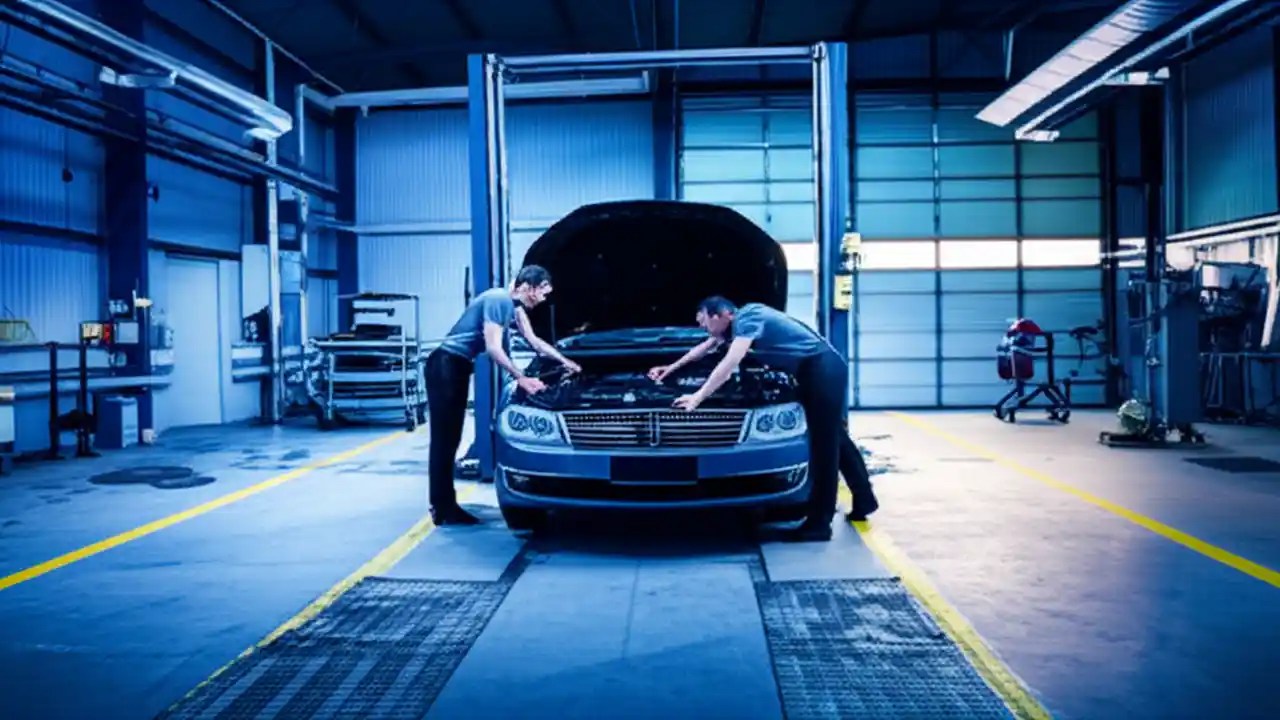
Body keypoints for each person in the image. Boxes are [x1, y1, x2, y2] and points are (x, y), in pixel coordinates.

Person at [649, 296, 878, 541]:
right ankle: (865, 499)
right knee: (836, 439)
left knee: (825, 447)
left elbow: (730, 362)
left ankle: (819, 524)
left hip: (822, 368)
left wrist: (698, 397)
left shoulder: (749, 317)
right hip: (812, 371)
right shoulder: (731, 328)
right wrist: (669, 368)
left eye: (703, 320)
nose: (701, 326)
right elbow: (702, 349)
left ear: (720, 315)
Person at [426, 265, 581, 525]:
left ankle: (443, 505)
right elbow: (494, 349)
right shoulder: (498, 300)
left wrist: (567, 362)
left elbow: (535, 342)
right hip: (445, 366)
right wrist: (522, 377)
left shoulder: (514, 307)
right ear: (529, 287)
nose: (544, 299)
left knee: (450, 437)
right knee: (445, 439)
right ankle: (442, 507)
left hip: (457, 367)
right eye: (543, 292)